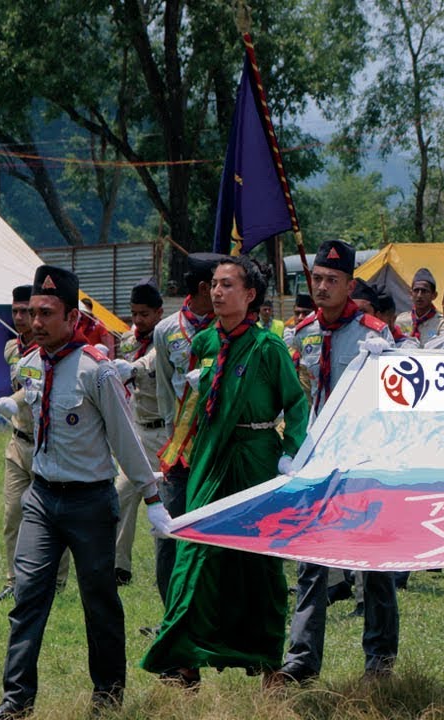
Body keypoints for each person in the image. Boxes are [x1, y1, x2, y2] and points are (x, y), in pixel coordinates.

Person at [0, 265, 170, 719]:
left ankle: (108, 697)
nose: (36, 322)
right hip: (42, 498)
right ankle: (16, 701)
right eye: (32, 313)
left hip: (89, 501)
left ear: (71, 317)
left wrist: (153, 496)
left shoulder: (96, 373)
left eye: (47, 313)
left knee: (99, 601)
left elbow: (126, 438)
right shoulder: (31, 365)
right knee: (28, 597)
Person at [141, 256, 309, 687]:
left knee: (259, 562)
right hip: (209, 459)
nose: (217, 292)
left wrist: (290, 451)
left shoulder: (267, 347)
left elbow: (296, 403)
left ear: (250, 295)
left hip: (255, 459)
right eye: (214, 284)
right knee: (194, 556)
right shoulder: (203, 344)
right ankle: (182, 661)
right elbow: (191, 414)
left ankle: (269, 664)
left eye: (228, 285)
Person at [276, 240, 399, 685]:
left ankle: (379, 661)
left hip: (362, 459)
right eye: (318, 280)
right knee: (310, 562)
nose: (323, 287)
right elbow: (295, 395)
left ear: (350, 284)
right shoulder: (303, 332)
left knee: (373, 564)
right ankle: (301, 660)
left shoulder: (373, 334)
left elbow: (391, 399)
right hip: (315, 458)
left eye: (332, 280)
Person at [0, 285, 71, 601]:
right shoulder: (11, 348)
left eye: (28, 311)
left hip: (48, 441)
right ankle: (13, 581)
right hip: (18, 441)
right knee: (13, 515)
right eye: (16, 311)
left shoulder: (53, 348)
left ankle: (57, 582)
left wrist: (16, 399)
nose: (21, 318)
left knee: (54, 517)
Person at [150, 253, 220, 621]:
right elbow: (165, 390)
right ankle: (172, 615)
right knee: (169, 536)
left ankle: (210, 614)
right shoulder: (166, 331)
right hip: (180, 453)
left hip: (218, 451)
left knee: (214, 537)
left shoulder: (227, 328)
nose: (224, 291)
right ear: (204, 288)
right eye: (219, 284)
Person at [109, 278, 168, 587]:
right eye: (134, 313)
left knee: (169, 504)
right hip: (137, 430)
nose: (138, 320)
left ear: (159, 313)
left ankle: (174, 570)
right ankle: (119, 567)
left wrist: (133, 369)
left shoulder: (170, 337)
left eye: (144, 313)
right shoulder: (129, 341)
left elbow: (151, 362)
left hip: (168, 433)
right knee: (121, 496)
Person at [395, 267, 442, 342]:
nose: (419, 295)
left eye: (424, 291)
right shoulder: (401, 321)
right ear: (411, 294)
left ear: (434, 295)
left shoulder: (441, 324)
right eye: (416, 291)